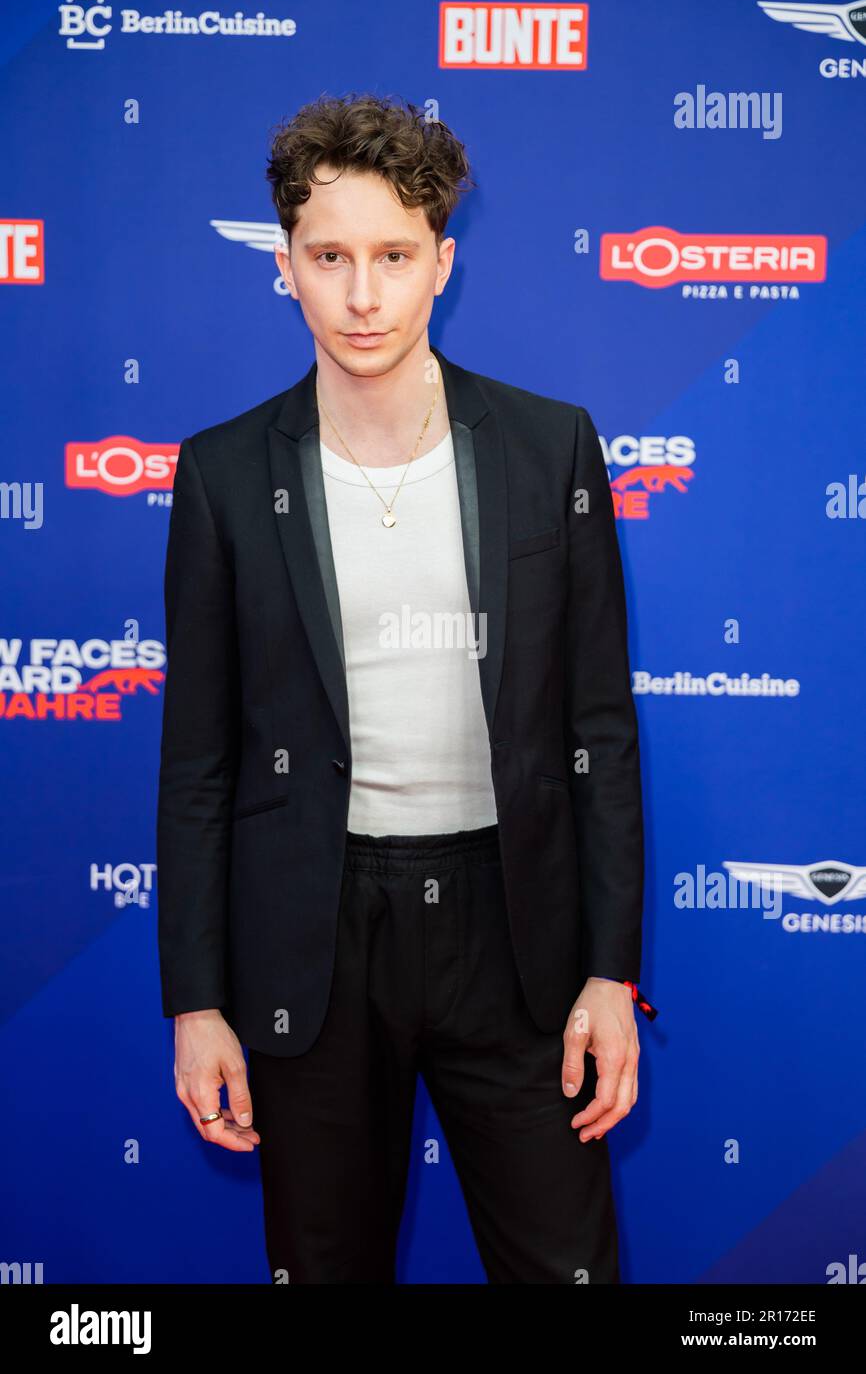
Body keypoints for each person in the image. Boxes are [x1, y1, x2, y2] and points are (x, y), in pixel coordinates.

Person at [157, 91, 653, 1285]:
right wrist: (197, 1003)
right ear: (287, 266)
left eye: (392, 256)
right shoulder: (223, 474)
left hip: (515, 927)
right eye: (329, 258)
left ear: (442, 261)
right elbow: (198, 762)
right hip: (312, 936)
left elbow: (597, 725)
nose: (362, 294)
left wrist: (607, 970)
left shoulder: (549, 448)